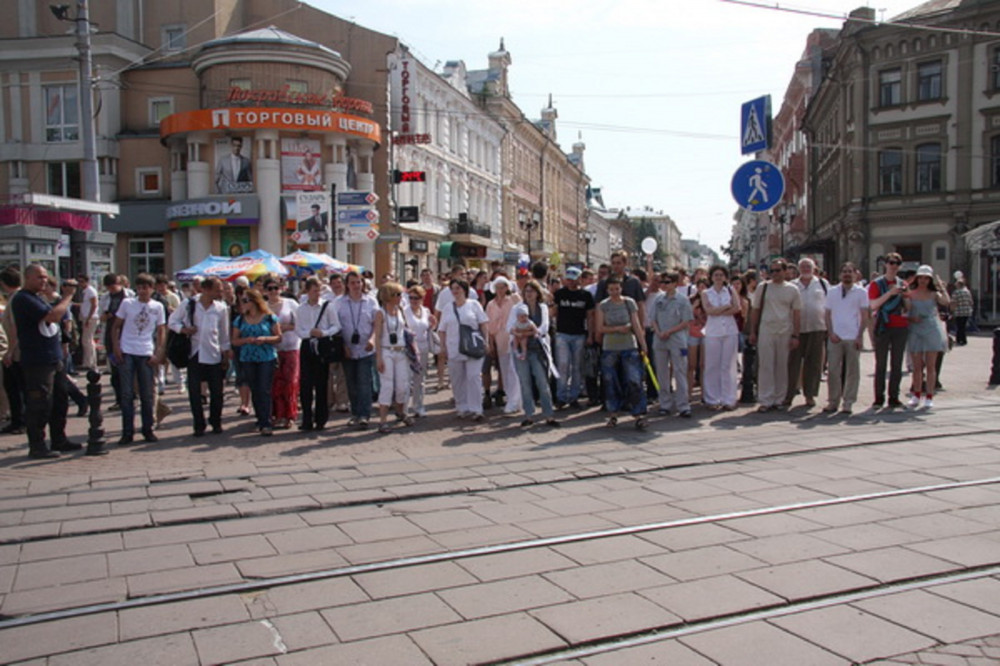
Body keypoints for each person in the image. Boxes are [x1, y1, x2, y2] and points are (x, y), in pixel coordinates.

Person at [11, 264, 78, 458]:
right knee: (40, 403)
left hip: (53, 358)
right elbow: (53, 316)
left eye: (46, 277)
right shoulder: (23, 299)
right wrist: (67, 297)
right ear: (28, 278)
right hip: (37, 360)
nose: (44, 281)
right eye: (39, 277)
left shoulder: (38, 298)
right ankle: (37, 445)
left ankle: (59, 439)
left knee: (60, 400)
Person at [169, 276, 231, 436]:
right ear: (207, 289)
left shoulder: (221, 308)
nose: (221, 292)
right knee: (195, 392)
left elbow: (224, 333)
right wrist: (184, 330)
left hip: (214, 353)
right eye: (218, 289)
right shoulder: (189, 304)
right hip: (194, 353)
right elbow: (172, 321)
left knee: (217, 391)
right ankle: (199, 423)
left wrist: (226, 353)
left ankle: (215, 421)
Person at [111, 273, 166, 445]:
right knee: (127, 394)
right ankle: (127, 431)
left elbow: (161, 330)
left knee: (147, 394)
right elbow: (116, 326)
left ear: (152, 289)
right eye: (140, 287)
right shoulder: (128, 303)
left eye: (146, 287)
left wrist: (159, 352)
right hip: (128, 350)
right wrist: (116, 347)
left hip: (146, 351)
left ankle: (147, 429)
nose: (143, 291)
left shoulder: (157, 306)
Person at [749, 258, 802, 412]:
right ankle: (765, 399)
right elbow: (755, 310)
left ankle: (779, 398)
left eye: (778, 270)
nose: (774, 274)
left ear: (785, 272)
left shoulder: (792, 289)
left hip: (785, 330)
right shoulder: (763, 287)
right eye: (771, 270)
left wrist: (795, 335)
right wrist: (753, 331)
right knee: (766, 365)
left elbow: (797, 313)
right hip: (766, 329)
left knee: (781, 365)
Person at [595, 275, 648, 429]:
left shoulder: (629, 302)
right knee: (610, 381)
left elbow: (636, 324)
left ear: (621, 288)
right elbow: (600, 328)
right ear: (607, 290)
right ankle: (612, 415)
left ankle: (639, 415)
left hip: (629, 346)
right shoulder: (603, 305)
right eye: (611, 289)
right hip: (610, 347)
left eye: (617, 289)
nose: (614, 292)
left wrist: (642, 344)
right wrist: (618, 328)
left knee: (634, 380)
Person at [509, 281, 560, 428]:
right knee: (525, 383)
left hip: (538, 349)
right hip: (521, 350)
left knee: (542, 382)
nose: (529, 294)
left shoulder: (542, 307)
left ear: (537, 293)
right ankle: (529, 415)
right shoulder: (517, 308)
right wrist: (529, 332)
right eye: (526, 291)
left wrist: (523, 332)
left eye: (532, 291)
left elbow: (543, 328)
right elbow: (509, 327)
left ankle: (548, 414)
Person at [438, 278, 489, 422]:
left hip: (473, 347)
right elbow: (442, 329)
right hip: (454, 347)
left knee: (473, 377)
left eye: (458, 288)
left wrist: (486, 341)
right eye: (453, 288)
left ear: (464, 290)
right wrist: (443, 347)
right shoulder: (448, 307)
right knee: (457, 379)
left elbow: (483, 324)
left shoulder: (474, 305)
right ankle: (462, 406)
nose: (455, 291)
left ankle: (477, 408)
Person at [295, 276, 341, 432]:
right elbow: (298, 330)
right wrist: (310, 333)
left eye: (319, 290)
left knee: (322, 383)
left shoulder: (328, 306)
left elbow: (336, 326)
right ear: (307, 291)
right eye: (314, 291)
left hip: (322, 344)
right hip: (308, 345)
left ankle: (321, 418)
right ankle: (307, 419)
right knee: (306, 384)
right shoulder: (301, 309)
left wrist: (324, 333)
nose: (317, 294)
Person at [232, 289, 280, 435]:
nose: (243, 303)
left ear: (255, 301)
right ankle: (260, 417)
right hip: (248, 357)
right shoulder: (240, 320)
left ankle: (266, 422)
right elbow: (234, 340)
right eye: (242, 301)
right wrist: (246, 340)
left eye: (246, 300)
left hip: (266, 357)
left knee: (264, 388)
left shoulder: (269, 317)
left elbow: (278, 337)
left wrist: (264, 339)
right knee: (254, 388)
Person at [824, 262, 869, 415]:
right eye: (844, 272)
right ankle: (833, 401)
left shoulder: (861, 292)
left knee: (852, 372)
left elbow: (864, 316)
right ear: (840, 275)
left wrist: (860, 335)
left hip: (853, 336)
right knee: (833, 371)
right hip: (835, 336)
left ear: (855, 274)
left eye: (850, 271)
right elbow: (827, 314)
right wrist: (830, 333)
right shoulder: (832, 291)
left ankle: (848, 402)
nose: (847, 274)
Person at [335, 271, 378, 429]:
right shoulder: (339, 302)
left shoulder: (371, 301)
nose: (356, 286)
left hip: (366, 349)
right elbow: (336, 326)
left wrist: (373, 339)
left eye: (358, 282)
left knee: (364, 382)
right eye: (352, 283)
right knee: (351, 383)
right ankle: (355, 413)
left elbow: (376, 323)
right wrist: (343, 346)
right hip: (347, 349)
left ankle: (364, 415)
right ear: (347, 285)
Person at [904, 265, 950, 409]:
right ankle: (916, 394)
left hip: (931, 329)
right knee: (917, 366)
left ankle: (929, 396)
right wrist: (912, 319)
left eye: (926, 278)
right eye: (921, 277)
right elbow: (906, 312)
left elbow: (946, 301)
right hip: (915, 329)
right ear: (917, 278)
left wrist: (942, 287)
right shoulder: (911, 293)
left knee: (931, 366)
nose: (923, 280)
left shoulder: (933, 294)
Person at [786, 258, 829, 408]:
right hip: (796, 329)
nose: (805, 269)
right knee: (793, 363)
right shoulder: (792, 285)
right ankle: (789, 394)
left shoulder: (822, 284)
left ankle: (810, 395)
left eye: (808, 266)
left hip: (817, 328)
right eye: (803, 266)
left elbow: (829, 306)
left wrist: (830, 327)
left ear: (814, 268)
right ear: (798, 269)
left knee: (814, 364)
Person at [869, 252, 909, 409]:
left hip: (900, 326)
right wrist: (890, 293)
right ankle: (879, 397)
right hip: (883, 326)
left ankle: (894, 397)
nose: (893, 266)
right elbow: (873, 305)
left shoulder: (903, 283)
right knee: (881, 364)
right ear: (885, 264)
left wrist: (905, 296)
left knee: (897, 364)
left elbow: (908, 307)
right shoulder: (877, 284)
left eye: (897, 263)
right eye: (891, 262)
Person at [651, 271, 692, 417]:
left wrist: (669, 331)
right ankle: (665, 404)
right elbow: (653, 319)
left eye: (667, 282)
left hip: (677, 339)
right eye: (663, 282)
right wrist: (659, 332)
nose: (664, 285)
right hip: (660, 339)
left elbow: (686, 321)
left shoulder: (682, 300)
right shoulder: (658, 299)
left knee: (680, 371)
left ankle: (683, 405)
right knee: (662, 373)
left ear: (675, 283)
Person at [374, 282, 414, 433]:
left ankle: (401, 412)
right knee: (387, 385)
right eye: (397, 294)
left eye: (400, 294)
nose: (400, 297)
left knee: (403, 385)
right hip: (387, 351)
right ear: (388, 296)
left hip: (401, 350)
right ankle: (383, 420)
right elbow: (377, 336)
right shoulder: (380, 313)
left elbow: (406, 330)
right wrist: (379, 357)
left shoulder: (401, 310)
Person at [553, 266, 594, 409]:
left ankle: (574, 396)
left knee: (577, 367)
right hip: (562, 334)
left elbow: (590, 316)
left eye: (573, 279)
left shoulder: (586, 296)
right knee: (563, 365)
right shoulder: (559, 294)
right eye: (568, 279)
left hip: (579, 334)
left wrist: (590, 334)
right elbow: (554, 312)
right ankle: (561, 396)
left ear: (579, 279)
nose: (570, 282)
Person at [700, 265, 740, 411]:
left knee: (728, 365)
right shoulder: (706, 293)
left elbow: (737, 308)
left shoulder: (730, 290)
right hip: (713, 331)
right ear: (711, 277)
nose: (718, 278)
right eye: (715, 275)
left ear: (725, 277)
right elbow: (709, 311)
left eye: (721, 275)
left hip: (730, 331)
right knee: (712, 365)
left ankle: (728, 399)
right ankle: (712, 398)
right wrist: (725, 307)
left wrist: (720, 309)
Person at [264, 278, 300, 430]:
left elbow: (300, 323)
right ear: (265, 291)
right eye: (270, 288)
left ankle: (290, 415)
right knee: (276, 383)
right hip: (272, 348)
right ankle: (278, 414)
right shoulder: (263, 307)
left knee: (290, 382)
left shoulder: (290, 303)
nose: (273, 291)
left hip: (291, 346)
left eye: (276, 288)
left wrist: (286, 327)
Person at [485, 276, 522, 415]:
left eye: (503, 287)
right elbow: (488, 325)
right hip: (498, 338)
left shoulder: (514, 299)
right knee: (504, 370)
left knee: (514, 370)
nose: (500, 290)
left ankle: (516, 400)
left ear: (507, 287)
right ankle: (510, 397)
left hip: (513, 337)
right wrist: (491, 343)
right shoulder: (490, 304)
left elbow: (523, 314)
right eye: (498, 287)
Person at [403, 284, 436, 417]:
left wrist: (434, 324)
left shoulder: (426, 311)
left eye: (416, 298)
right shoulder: (404, 311)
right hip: (408, 349)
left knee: (420, 379)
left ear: (422, 298)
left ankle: (418, 406)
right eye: (411, 298)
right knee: (406, 379)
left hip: (423, 348)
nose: (413, 301)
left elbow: (429, 328)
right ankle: (404, 409)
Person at [1, 267, 25, 435]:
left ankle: (20, 421)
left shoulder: (16, 299)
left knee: (16, 389)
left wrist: (10, 351)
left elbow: (16, 328)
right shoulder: (11, 298)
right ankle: (16, 419)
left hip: (16, 352)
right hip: (12, 350)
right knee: (11, 388)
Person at [99, 273, 127, 410]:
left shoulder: (129, 296)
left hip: (127, 337)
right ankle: (119, 399)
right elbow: (101, 317)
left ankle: (131, 397)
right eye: (110, 287)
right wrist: (106, 315)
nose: (113, 288)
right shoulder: (105, 298)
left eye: (115, 285)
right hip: (111, 337)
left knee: (128, 370)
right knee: (115, 371)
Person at [77, 275, 99, 371]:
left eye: (82, 281)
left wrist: (89, 318)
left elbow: (94, 304)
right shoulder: (85, 291)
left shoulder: (90, 291)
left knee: (87, 340)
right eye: (79, 282)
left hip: (90, 317)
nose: (80, 284)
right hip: (86, 317)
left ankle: (89, 363)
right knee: (88, 340)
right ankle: (89, 361)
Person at [950, 279, 973, 346]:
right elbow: (971, 302)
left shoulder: (956, 292)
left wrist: (952, 310)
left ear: (959, 285)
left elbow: (953, 302)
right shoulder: (967, 291)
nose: (955, 286)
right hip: (967, 311)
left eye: (956, 284)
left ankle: (959, 339)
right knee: (963, 326)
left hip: (959, 311)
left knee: (959, 326)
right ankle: (963, 340)